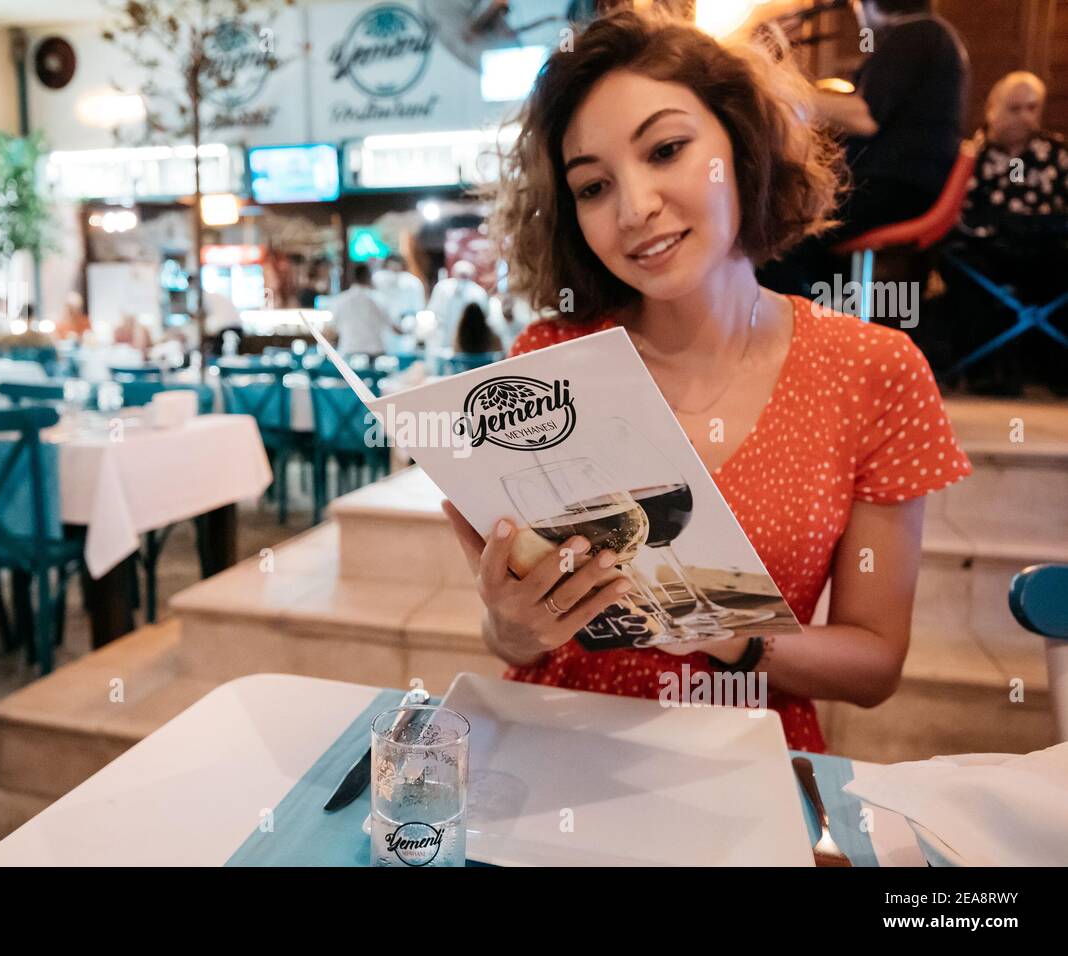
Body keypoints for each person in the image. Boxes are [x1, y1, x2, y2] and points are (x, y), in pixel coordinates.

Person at [442, 8, 972, 752]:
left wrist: (728, 633)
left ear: (743, 143)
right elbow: (517, 644)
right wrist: (510, 622)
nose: (634, 208)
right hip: (558, 752)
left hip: (746, 762)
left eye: (665, 150)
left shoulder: (872, 372)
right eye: (592, 188)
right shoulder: (551, 360)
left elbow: (875, 663)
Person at [760, 0, 970, 296]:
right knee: (810, 239)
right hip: (908, 188)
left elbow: (866, 117)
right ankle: (832, 322)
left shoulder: (912, 33)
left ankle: (790, 334)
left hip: (893, 189)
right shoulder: (933, 35)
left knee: (778, 236)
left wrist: (784, 94)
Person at [942, 71, 1068, 394]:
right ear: (992, 109)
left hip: (1046, 252)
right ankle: (984, 371)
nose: (1025, 117)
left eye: (1032, 108)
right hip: (985, 252)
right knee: (962, 270)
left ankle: (1054, 372)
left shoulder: (1057, 153)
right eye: (1015, 108)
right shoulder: (968, 155)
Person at [329, 264, 399, 357]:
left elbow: (332, 329)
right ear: (369, 277)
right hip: (375, 353)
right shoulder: (379, 299)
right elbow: (394, 327)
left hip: (349, 351)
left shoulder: (339, 300)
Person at [426, 260, 491, 349]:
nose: (462, 280)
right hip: (441, 340)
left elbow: (483, 318)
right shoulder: (442, 288)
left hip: (467, 342)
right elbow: (432, 312)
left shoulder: (479, 293)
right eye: (460, 275)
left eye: (465, 276)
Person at [371, 254, 427, 325]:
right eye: (391, 267)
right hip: (382, 324)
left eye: (396, 267)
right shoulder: (377, 279)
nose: (394, 271)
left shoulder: (412, 282)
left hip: (406, 324)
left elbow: (419, 307)